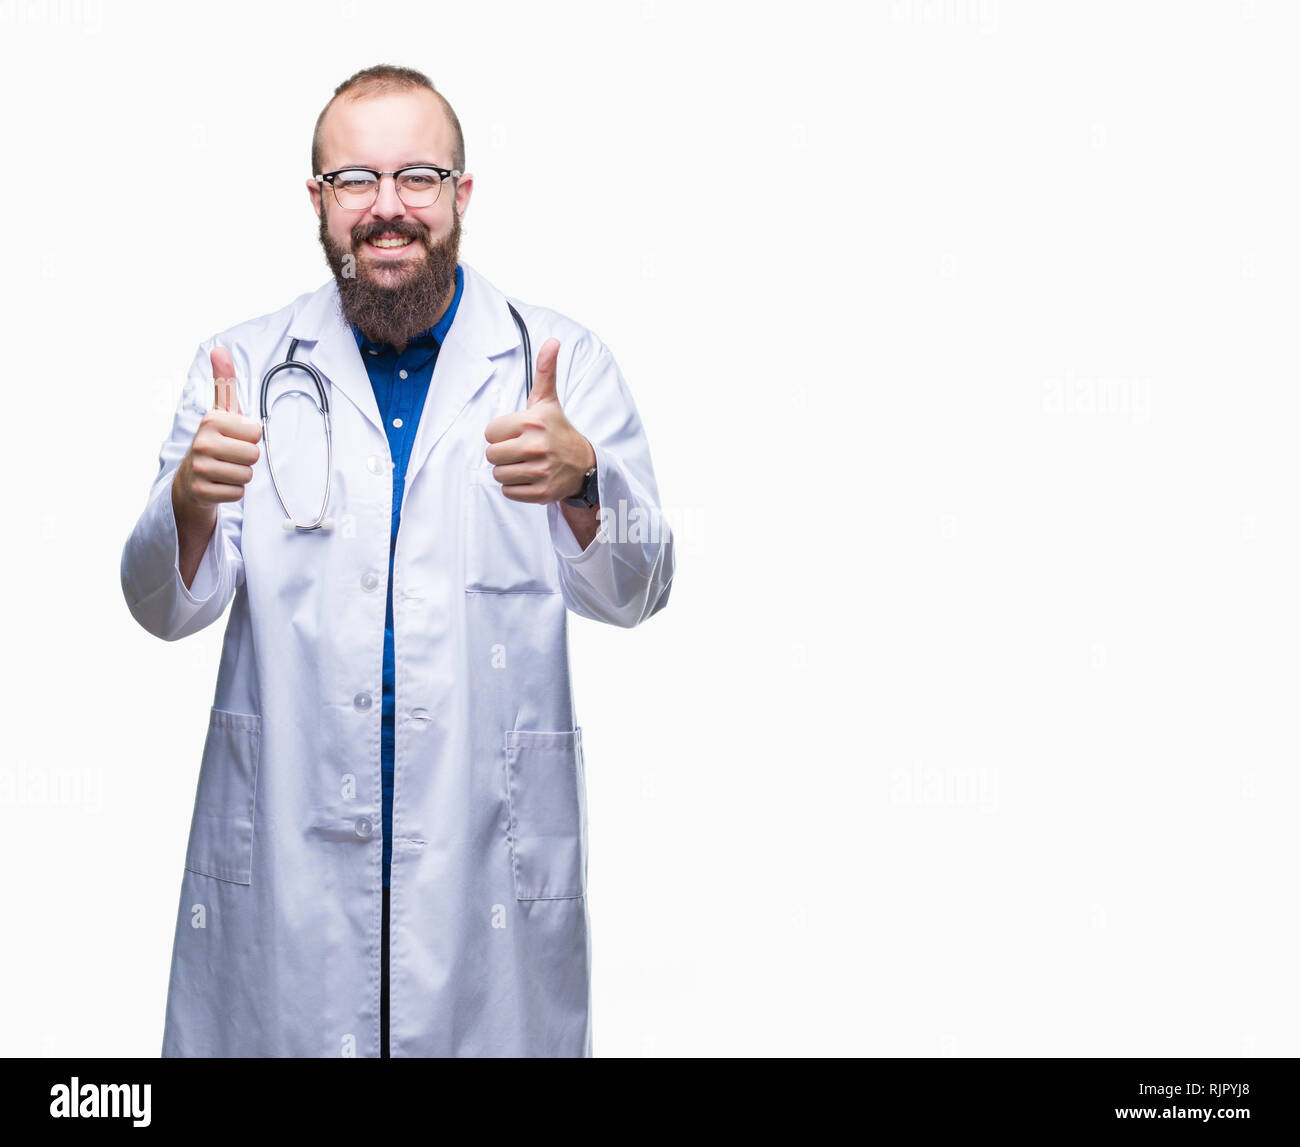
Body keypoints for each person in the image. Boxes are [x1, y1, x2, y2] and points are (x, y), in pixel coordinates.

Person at [120, 64, 675, 1058]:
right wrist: (191, 499)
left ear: (462, 193)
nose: (387, 209)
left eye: (418, 178)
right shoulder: (242, 369)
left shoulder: (556, 359)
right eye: (355, 181)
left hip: (481, 871)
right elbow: (163, 606)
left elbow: (640, 584)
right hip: (288, 866)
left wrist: (585, 478)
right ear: (318, 202)